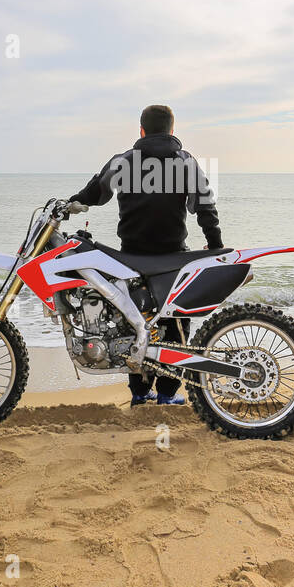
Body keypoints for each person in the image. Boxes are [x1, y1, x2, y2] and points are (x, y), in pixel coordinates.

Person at [68, 104, 224, 405]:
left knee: (134, 320)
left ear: (141, 130)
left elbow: (94, 193)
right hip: (172, 256)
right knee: (175, 323)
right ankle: (166, 395)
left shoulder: (124, 161)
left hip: (131, 256)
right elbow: (206, 207)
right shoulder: (186, 162)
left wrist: (71, 204)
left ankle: (140, 393)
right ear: (172, 130)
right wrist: (215, 245)